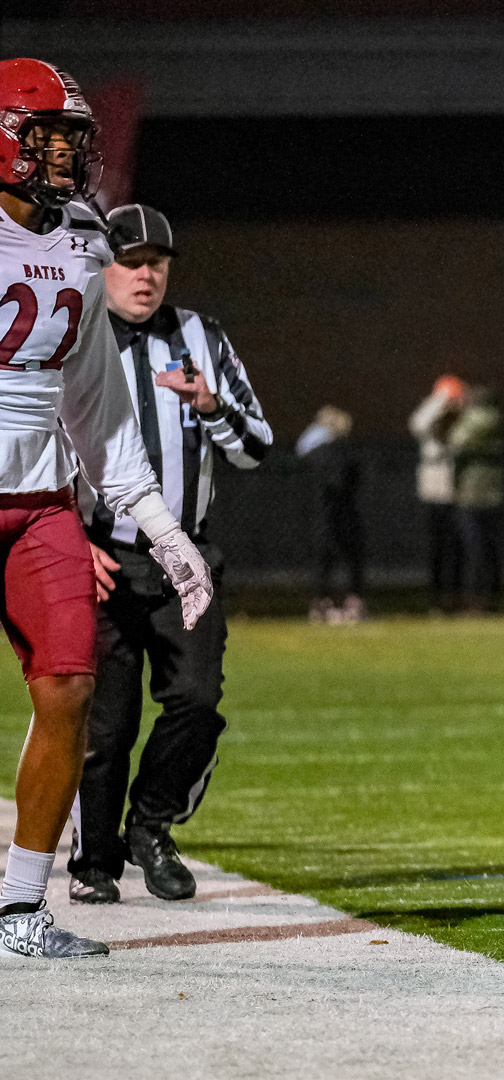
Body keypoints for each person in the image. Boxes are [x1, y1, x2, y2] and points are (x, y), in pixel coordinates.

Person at [0, 58, 211, 959]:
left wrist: (160, 527)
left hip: (40, 503)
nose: (61, 155)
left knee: (72, 687)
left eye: (70, 140)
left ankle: (18, 909)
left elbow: (92, 400)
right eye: (43, 135)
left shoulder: (86, 235)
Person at [68, 203, 271, 906]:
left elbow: (257, 448)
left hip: (189, 556)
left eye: (158, 262)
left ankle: (151, 826)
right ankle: (94, 861)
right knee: (107, 723)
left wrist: (210, 405)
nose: (146, 275)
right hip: (103, 557)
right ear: (104, 265)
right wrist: (68, 542)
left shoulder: (198, 336)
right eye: (131, 260)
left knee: (197, 701)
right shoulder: (75, 331)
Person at [296, 406, 364, 623]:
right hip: (346, 512)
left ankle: (320, 602)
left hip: (320, 513)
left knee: (323, 559)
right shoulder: (347, 453)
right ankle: (354, 601)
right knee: (352, 557)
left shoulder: (314, 454)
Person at [408, 375, 464, 611]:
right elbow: (417, 423)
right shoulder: (431, 425)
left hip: (456, 491)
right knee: (436, 548)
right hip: (434, 490)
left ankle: (455, 596)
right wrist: (440, 399)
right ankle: (436, 598)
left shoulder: (461, 422)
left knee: (456, 548)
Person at [448, 385, 504, 613]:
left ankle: (476, 599)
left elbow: (455, 442)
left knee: (473, 548)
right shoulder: (499, 420)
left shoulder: (474, 420)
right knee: (490, 548)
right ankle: (492, 596)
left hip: (472, 493)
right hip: (494, 492)